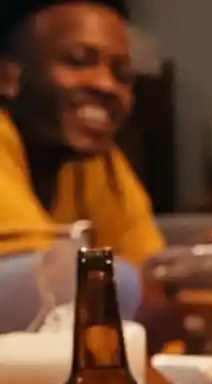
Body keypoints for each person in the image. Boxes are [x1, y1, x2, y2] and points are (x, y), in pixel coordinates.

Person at [0, 0, 161, 330]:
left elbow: (148, 272)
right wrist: (152, 299)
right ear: (7, 78)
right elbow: (51, 286)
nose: (106, 85)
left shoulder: (98, 161)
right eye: (78, 62)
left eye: (122, 75)